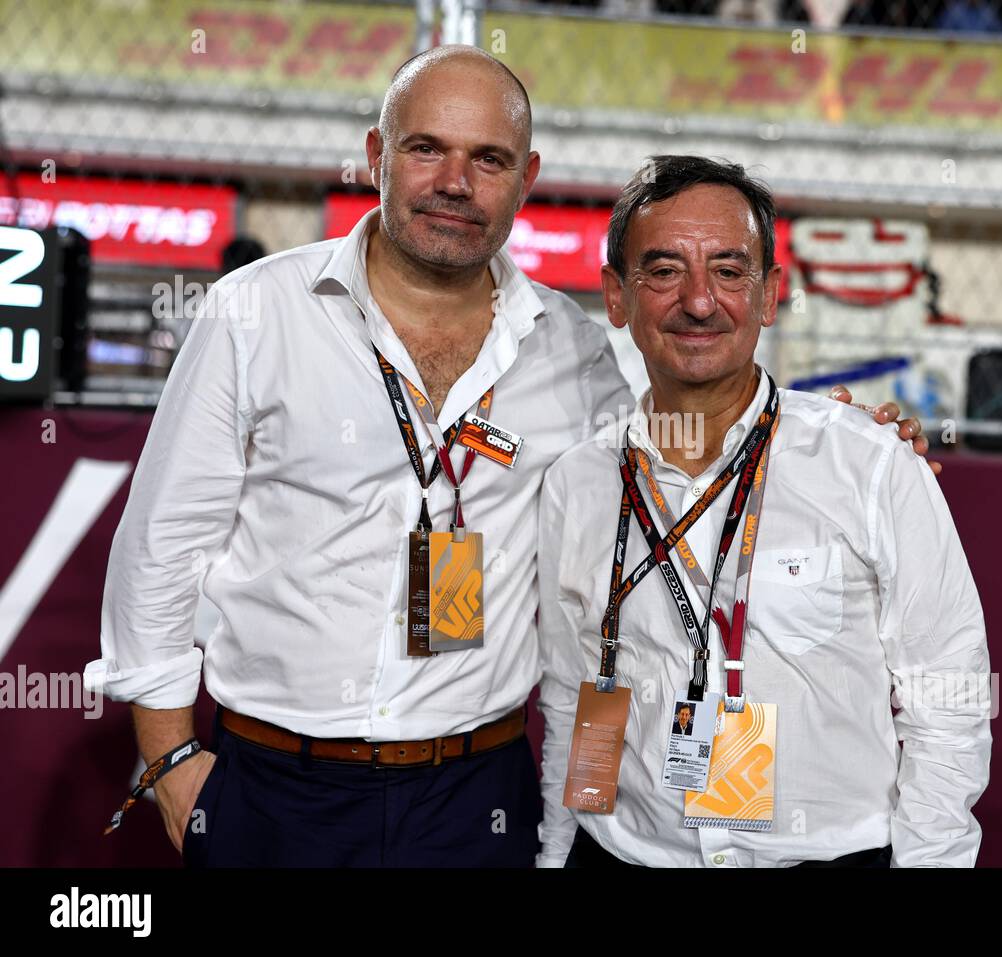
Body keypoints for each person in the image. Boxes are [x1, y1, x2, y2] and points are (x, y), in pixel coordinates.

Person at [85, 47, 930, 867]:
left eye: (488, 159)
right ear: (377, 155)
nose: (456, 182)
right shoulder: (256, 312)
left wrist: (832, 438)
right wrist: (171, 764)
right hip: (274, 788)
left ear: (527, 179)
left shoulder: (574, 351)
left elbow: (683, 465)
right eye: (428, 149)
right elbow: (163, 543)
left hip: (474, 798)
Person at [536, 156, 992, 869]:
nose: (698, 301)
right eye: (664, 271)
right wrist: (557, 855)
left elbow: (948, 695)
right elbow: (572, 693)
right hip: (625, 854)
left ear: (770, 294)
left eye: (728, 270)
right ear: (617, 297)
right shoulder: (578, 483)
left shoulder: (868, 463)